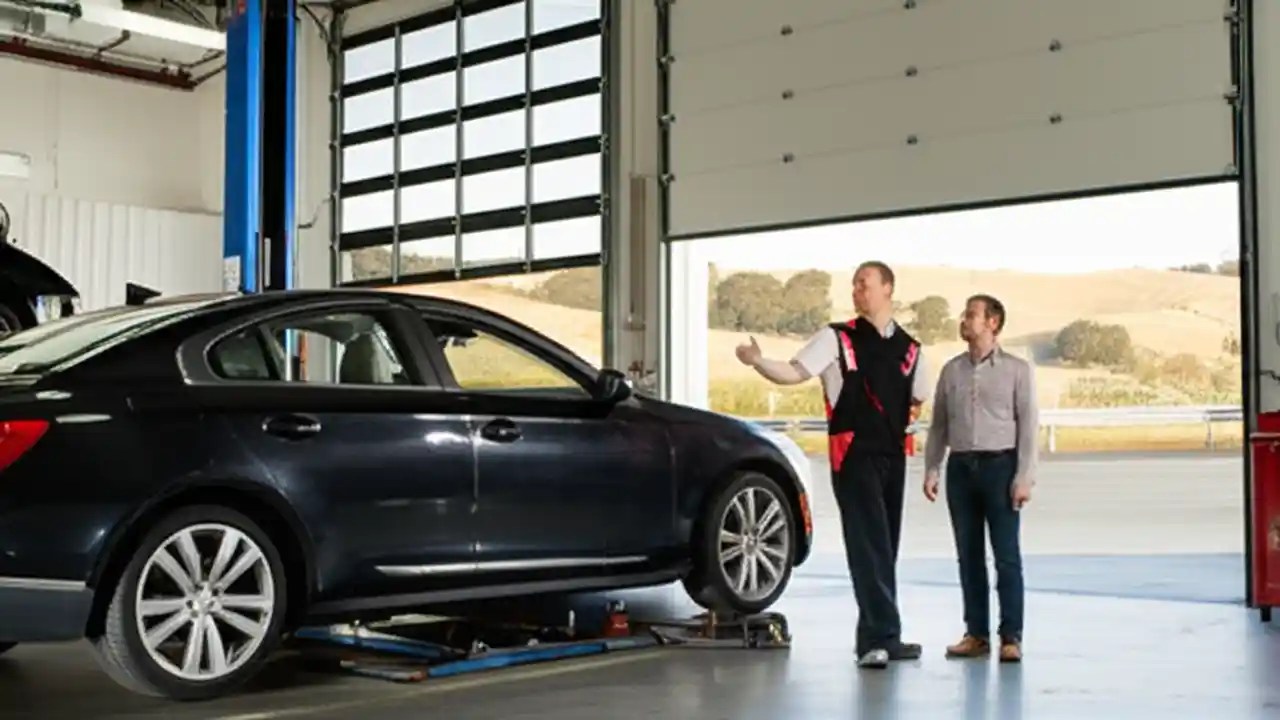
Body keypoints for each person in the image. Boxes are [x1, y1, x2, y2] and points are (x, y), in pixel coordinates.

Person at [734, 261, 930, 669]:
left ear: (888, 289)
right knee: (868, 546)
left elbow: (918, 397)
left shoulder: (911, 348)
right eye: (855, 285)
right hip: (854, 456)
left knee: (886, 546)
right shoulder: (836, 338)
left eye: (865, 284)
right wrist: (758, 360)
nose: (858, 291)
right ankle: (876, 639)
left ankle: (883, 637)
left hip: (892, 457)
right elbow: (793, 372)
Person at [922, 294, 1038, 663]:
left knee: (1006, 556)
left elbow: (1029, 427)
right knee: (968, 556)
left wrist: (1024, 477)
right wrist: (932, 467)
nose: (964, 320)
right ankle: (976, 633)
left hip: (1000, 467)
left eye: (972, 315)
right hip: (961, 469)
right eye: (965, 314)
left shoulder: (1017, 370)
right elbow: (939, 424)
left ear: (993, 322)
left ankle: (1011, 636)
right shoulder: (951, 370)